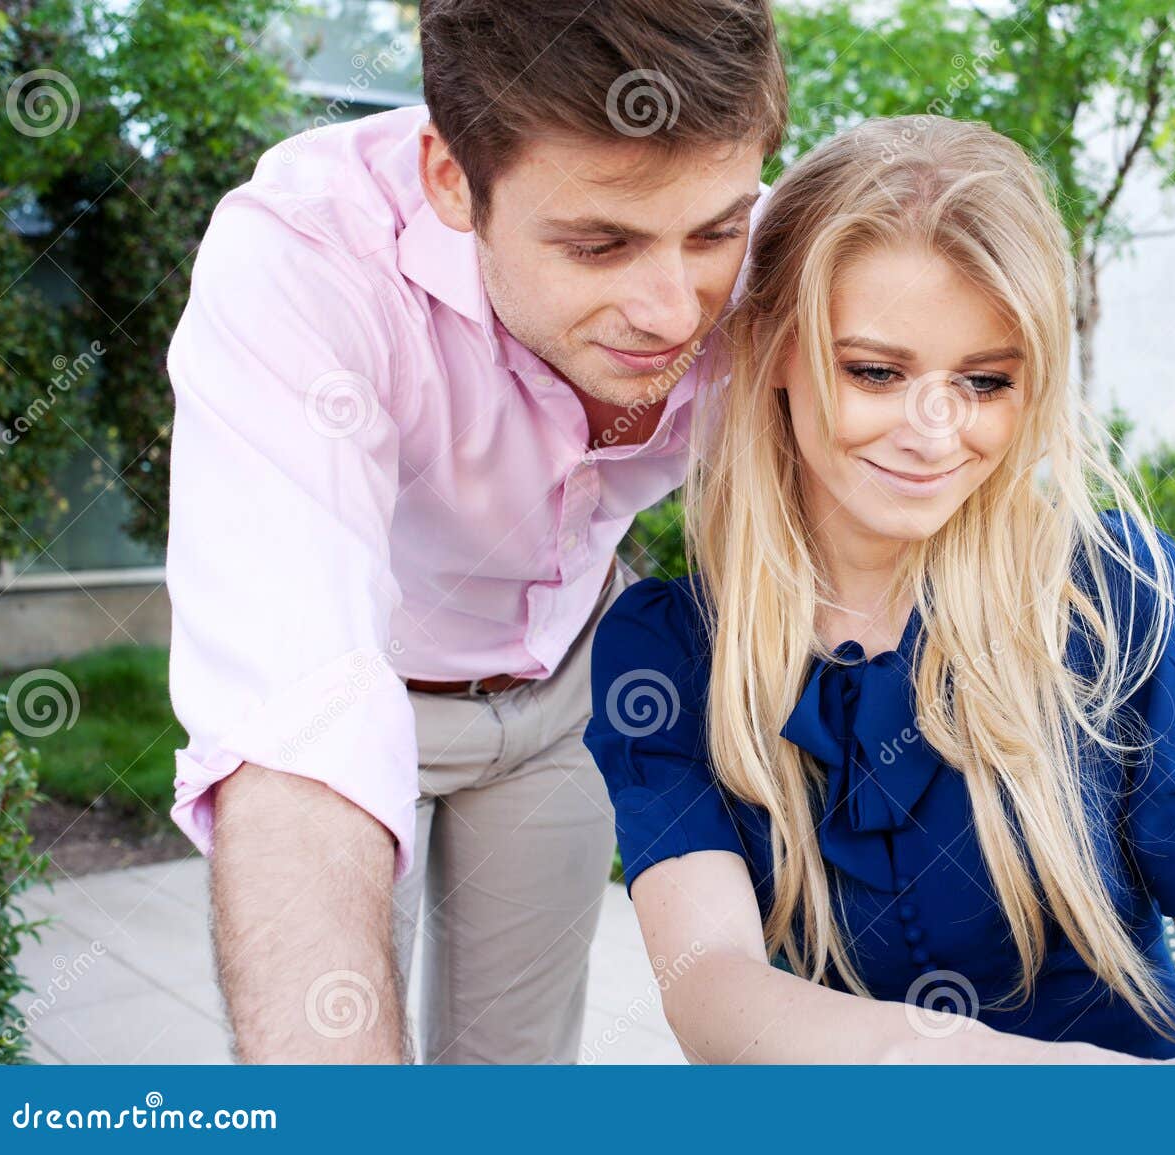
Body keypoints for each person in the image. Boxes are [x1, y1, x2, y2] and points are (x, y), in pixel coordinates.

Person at [163, 0, 785, 1063]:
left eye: (715, 232)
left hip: (564, 695)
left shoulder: (771, 261)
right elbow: (296, 716)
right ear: (451, 176)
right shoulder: (304, 260)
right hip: (373, 697)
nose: (676, 311)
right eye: (601, 244)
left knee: (513, 1080)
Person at [582, 115, 1175, 1063]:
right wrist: (1003, 1072)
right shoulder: (665, 650)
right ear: (775, 349)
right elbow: (711, 990)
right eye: (875, 371)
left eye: (986, 382)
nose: (935, 430)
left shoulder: (1121, 596)